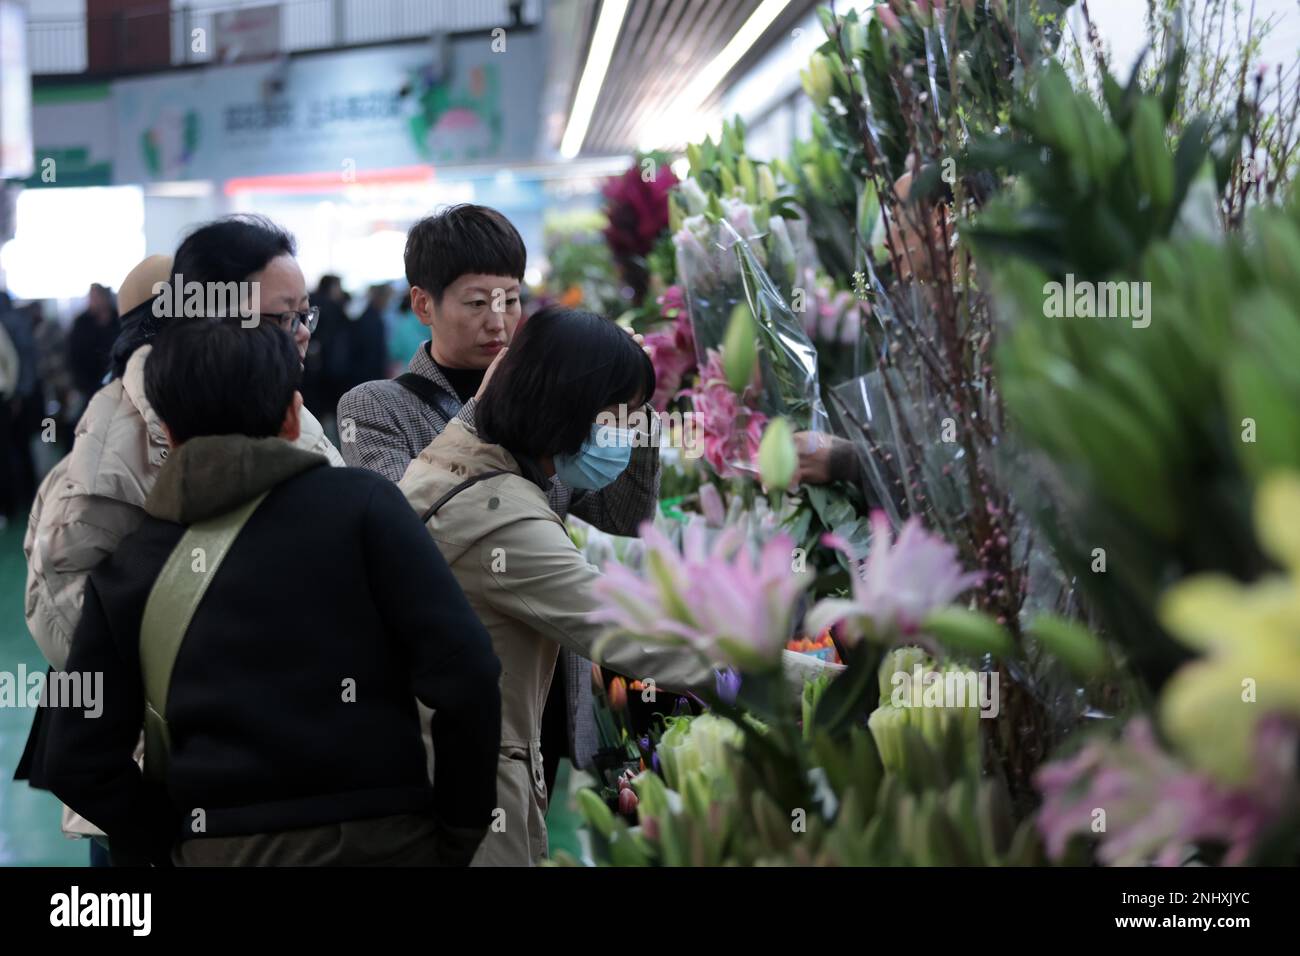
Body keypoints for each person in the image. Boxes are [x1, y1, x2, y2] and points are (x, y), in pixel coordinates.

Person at [41, 318, 502, 866]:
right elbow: (469, 673)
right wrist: (457, 828)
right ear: (292, 415)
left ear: (165, 429)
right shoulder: (366, 508)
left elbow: (74, 757)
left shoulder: (135, 563)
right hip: (383, 839)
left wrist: (167, 841)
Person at [20, 218, 344, 861]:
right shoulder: (117, 437)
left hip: (277, 767)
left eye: (304, 317)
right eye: (283, 319)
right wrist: (199, 668)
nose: (301, 336)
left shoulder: (291, 406)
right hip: (161, 775)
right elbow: (59, 604)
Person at [338, 204, 662, 792]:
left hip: (548, 682)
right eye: (476, 302)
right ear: (423, 305)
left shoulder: (551, 398)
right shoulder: (373, 406)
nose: (499, 321)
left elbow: (625, 514)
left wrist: (629, 403)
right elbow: (405, 530)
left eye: (511, 299)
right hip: (449, 703)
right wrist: (491, 402)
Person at [399, 306, 713, 866]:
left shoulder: (460, 455)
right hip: (472, 791)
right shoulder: (505, 517)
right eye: (619, 419)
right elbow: (634, 634)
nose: (625, 435)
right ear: (567, 410)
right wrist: (804, 682)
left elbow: (628, 513)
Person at [0, 290, 40, 524]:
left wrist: (16, 392)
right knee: (21, 448)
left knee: (18, 449)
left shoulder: (9, 325)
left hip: (15, 396)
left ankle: (17, 500)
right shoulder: (19, 323)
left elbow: (15, 361)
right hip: (19, 394)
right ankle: (25, 496)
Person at [67, 283, 119, 421]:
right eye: (91, 298)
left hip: (116, 383)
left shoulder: (118, 320)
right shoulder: (81, 323)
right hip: (88, 385)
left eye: (96, 297)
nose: (92, 301)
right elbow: (73, 355)